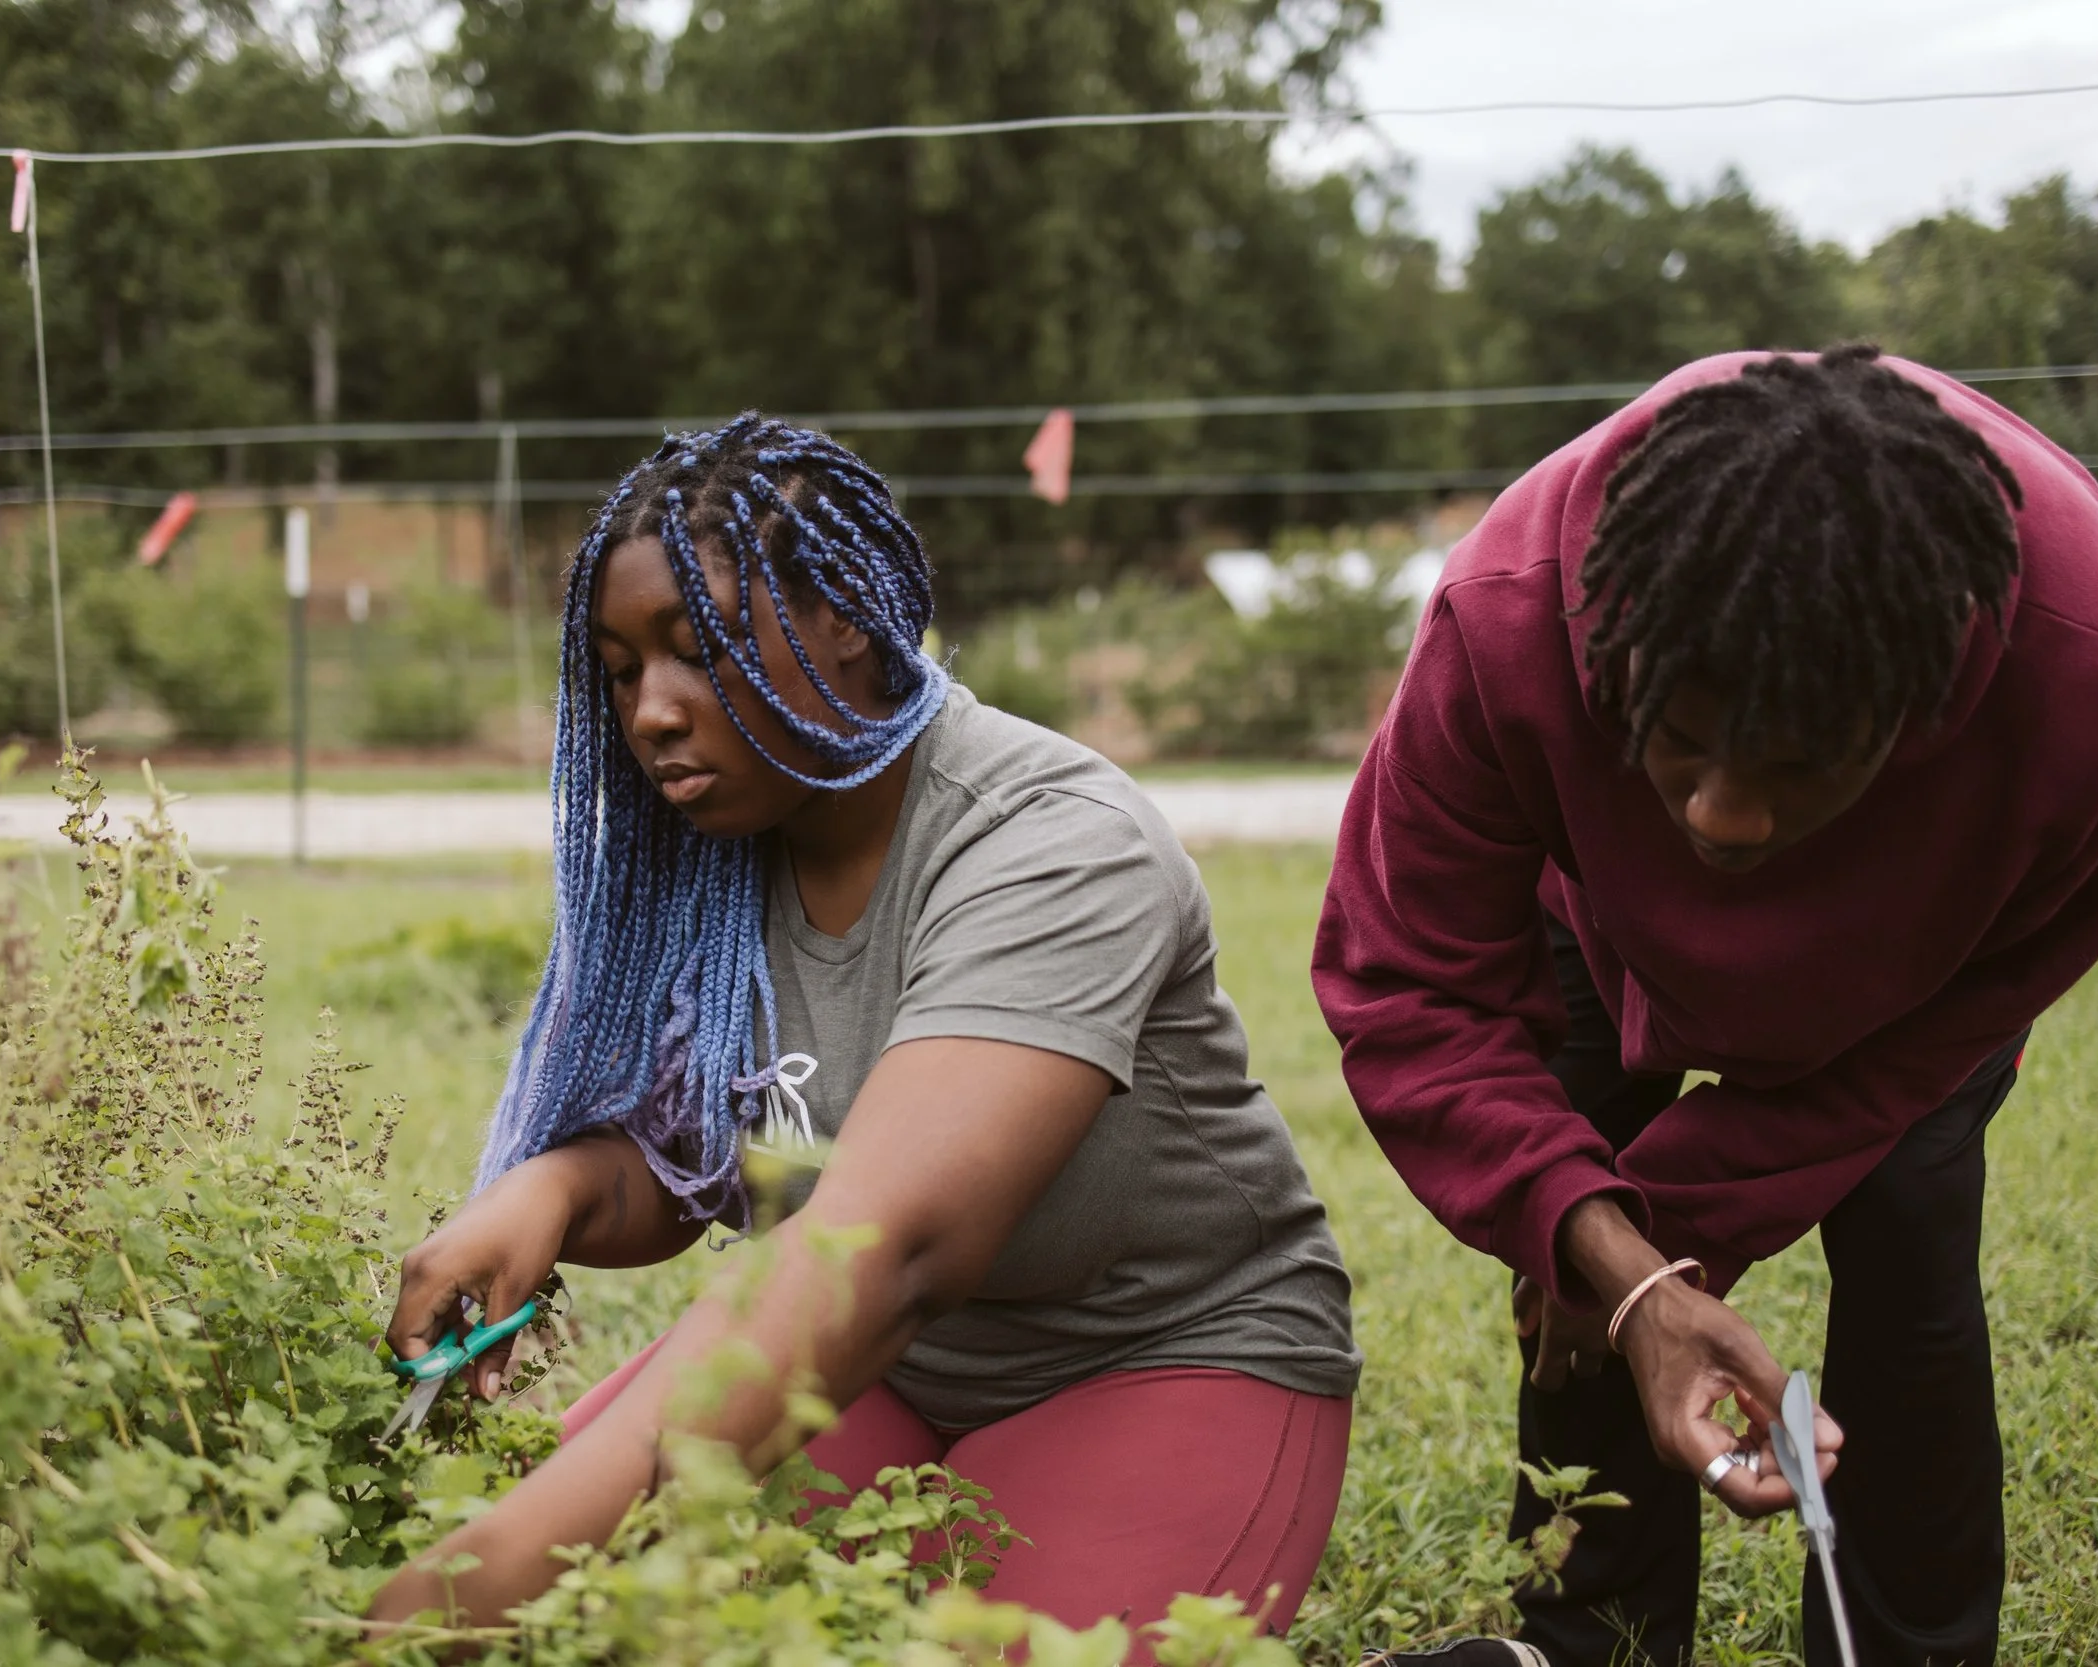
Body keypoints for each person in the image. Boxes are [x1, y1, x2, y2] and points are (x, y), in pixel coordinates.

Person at [364, 416, 1377, 1658]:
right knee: (603, 1620)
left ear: (847, 618)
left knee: (544, 1576)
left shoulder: (1050, 841)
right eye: (624, 670)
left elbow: (881, 1252)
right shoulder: (727, 854)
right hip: (884, 1368)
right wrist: (557, 1187)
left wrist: (464, 1592)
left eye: (697, 648)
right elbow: (725, 1168)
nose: (653, 713)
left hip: (1160, 1354)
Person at [1312, 345, 2098, 1667]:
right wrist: (1613, 1254)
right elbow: (1412, 981)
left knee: (1910, 1246)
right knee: (1580, 1265)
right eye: (1680, 734)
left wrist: (1680, 1222)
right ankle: (1589, 1638)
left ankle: (1910, 1645)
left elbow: (2000, 977)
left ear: (1925, 695)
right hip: (1586, 919)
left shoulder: (2096, 693)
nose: (1722, 813)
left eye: (1797, 761)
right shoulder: (1507, 608)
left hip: (1912, 987)